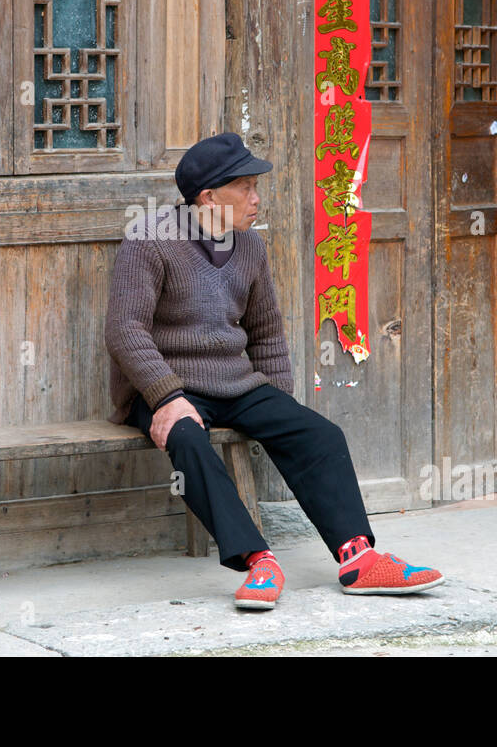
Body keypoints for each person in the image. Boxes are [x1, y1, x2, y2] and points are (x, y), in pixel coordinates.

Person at [104, 131, 444, 610]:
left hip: (234, 381)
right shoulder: (149, 241)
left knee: (319, 434)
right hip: (166, 386)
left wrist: (278, 406)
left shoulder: (250, 249)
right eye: (244, 187)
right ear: (207, 197)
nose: (256, 198)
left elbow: (266, 335)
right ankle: (257, 559)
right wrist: (166, 397)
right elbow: (125, 331)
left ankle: (358, 558)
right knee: (187, 438)